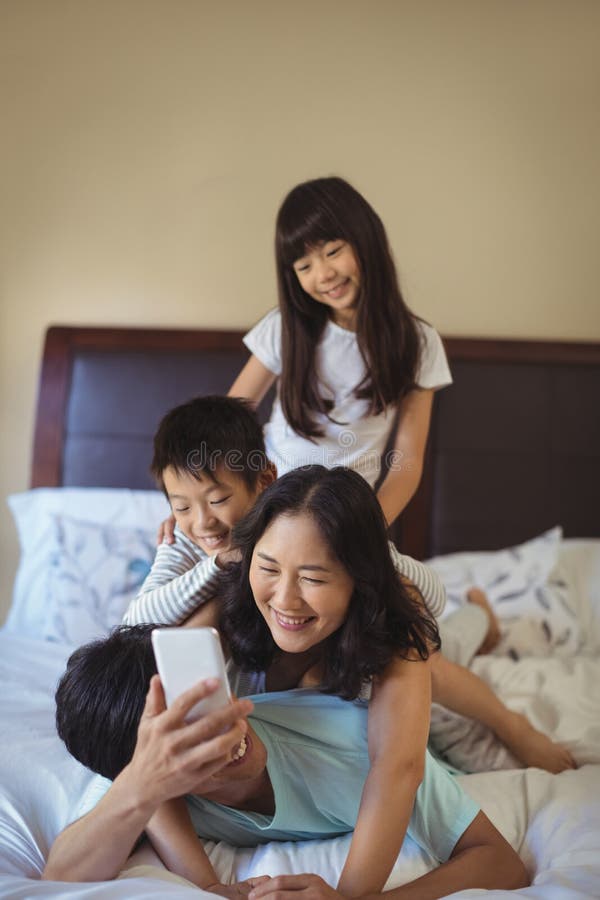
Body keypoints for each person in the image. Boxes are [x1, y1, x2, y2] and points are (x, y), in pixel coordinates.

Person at [44, 624, 530, 899]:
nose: (226, 733)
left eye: (213, 706)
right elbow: (61, 874)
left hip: (433, 730)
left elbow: (502, 865)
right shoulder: (148, 794)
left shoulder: (361, 749)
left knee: (430, 654)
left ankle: (482, 620)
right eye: (192, 742)